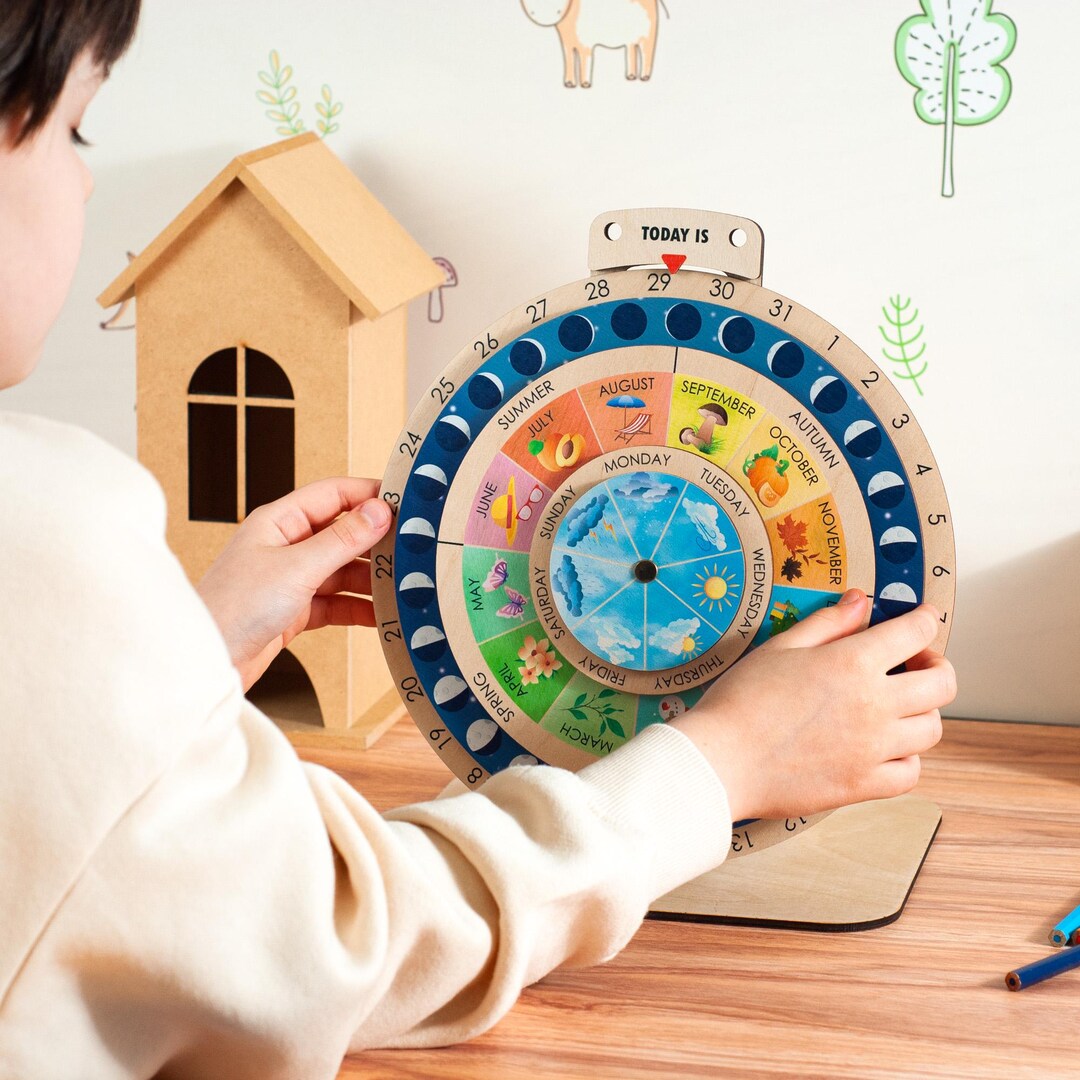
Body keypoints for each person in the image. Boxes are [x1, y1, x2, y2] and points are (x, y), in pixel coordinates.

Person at [0, 2, 956, 1076]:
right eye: (72, 129)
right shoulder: (36, 518)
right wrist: (727, 761)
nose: (85, 181)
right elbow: (346, 953)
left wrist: (175, 661)